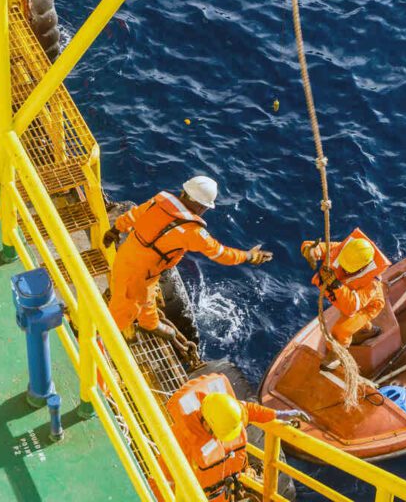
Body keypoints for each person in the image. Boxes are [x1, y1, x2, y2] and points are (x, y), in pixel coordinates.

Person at [104, 176, 273, 339]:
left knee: (148, 294)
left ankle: (149, 324)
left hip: (129, 257)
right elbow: (221, 254)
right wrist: (249, 256)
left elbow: (133, 215)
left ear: (184, 192)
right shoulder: (192, 232)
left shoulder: (159, 200)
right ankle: (98, 341)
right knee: (124, 310)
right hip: (138, 276)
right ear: (201, 207)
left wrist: (115, 229)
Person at [164, 373, 308, 501]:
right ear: (205, 422)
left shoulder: (230, 414)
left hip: (231, 485)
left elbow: (251, 410)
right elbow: (164, 478)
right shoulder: (181, 439)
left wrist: (278, 414)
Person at [301, 229, 391, 370]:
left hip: (368, 305)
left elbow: (352, 306)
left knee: (342, 329)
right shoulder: (344, 249)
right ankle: (368, 331)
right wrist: (310, 251)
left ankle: (337, 354)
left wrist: (336, 285)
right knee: (356, 324)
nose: (343, 270)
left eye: (348, 269)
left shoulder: (372, 282)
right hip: (348, 295)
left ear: (363, 268)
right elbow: (319, 247)